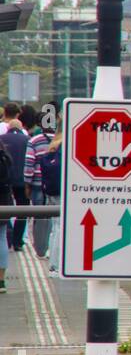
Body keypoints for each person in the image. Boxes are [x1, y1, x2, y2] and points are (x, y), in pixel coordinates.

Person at [20, 106, 49, 257]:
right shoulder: (65, 140)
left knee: (38, 215)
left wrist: (27, 184)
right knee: (53, 216)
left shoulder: (34, 140)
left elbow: (29, 164)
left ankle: (40, 248)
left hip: (38, 184)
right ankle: (49, 243)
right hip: (56, 186)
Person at [0, 111, 29, 252]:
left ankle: (8, 237)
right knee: (22, 209)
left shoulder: (2, 138)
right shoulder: (27, 140)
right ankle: (18, 241)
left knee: (5, 210)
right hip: (23, 181)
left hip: (6, 181)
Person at [38, 128, 64, 275]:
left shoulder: (51, 150)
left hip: (51, 193)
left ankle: (53, 264)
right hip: (62, 193)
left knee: (55, 229)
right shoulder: (66, 150)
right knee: (61, 229)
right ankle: (57, 266)